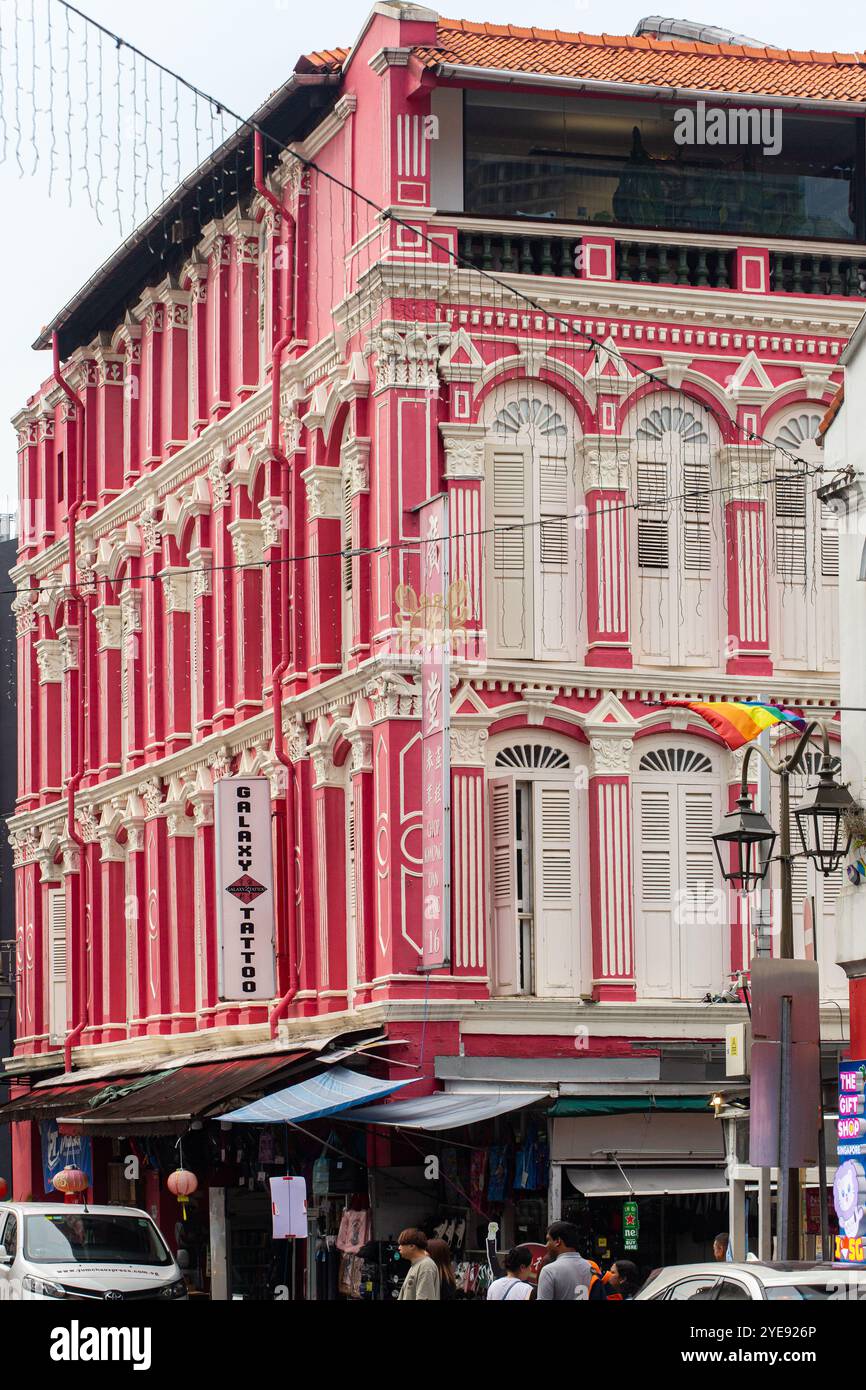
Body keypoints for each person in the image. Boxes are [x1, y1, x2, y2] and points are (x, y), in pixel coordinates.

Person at [536, 1221, 592, 1301]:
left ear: (558, 1241)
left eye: (548, 1240)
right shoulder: (590, 1267)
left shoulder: (549, 1271)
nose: (546, 1245)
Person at [396, 1228, 440, 1301]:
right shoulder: (416, 1265)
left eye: (402, 1244)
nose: (399, 1247)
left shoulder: (426, 1266)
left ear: (412, 1246)